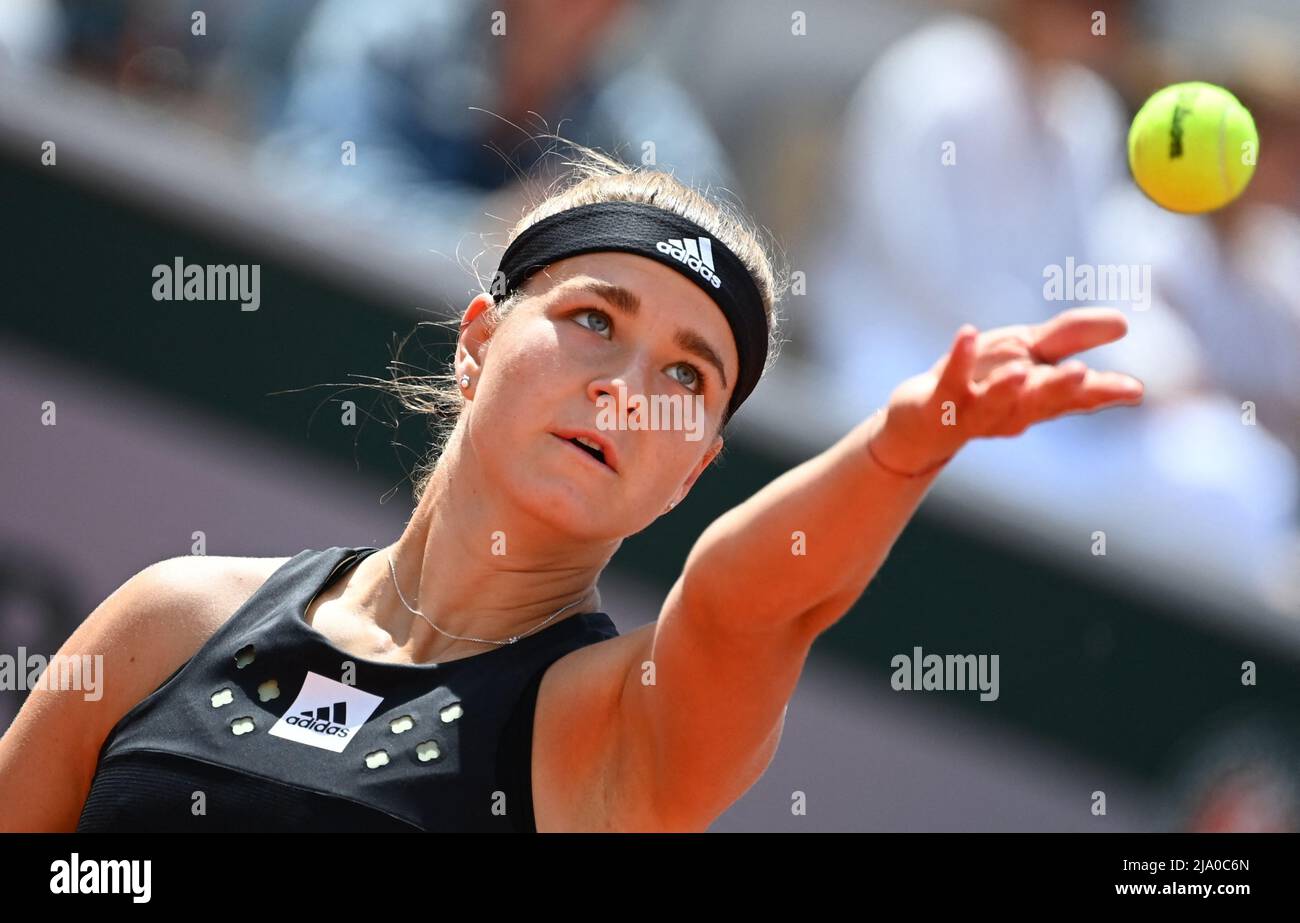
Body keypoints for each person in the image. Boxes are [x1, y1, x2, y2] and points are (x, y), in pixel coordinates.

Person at [0, 142, 1143, 833]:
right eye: (595, 318)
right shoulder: (172, 618)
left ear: (694, 467)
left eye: (688, 376)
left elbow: (748, 598)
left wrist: (896, 453)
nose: (627, 391)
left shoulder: (609, 731)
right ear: (478, 341)